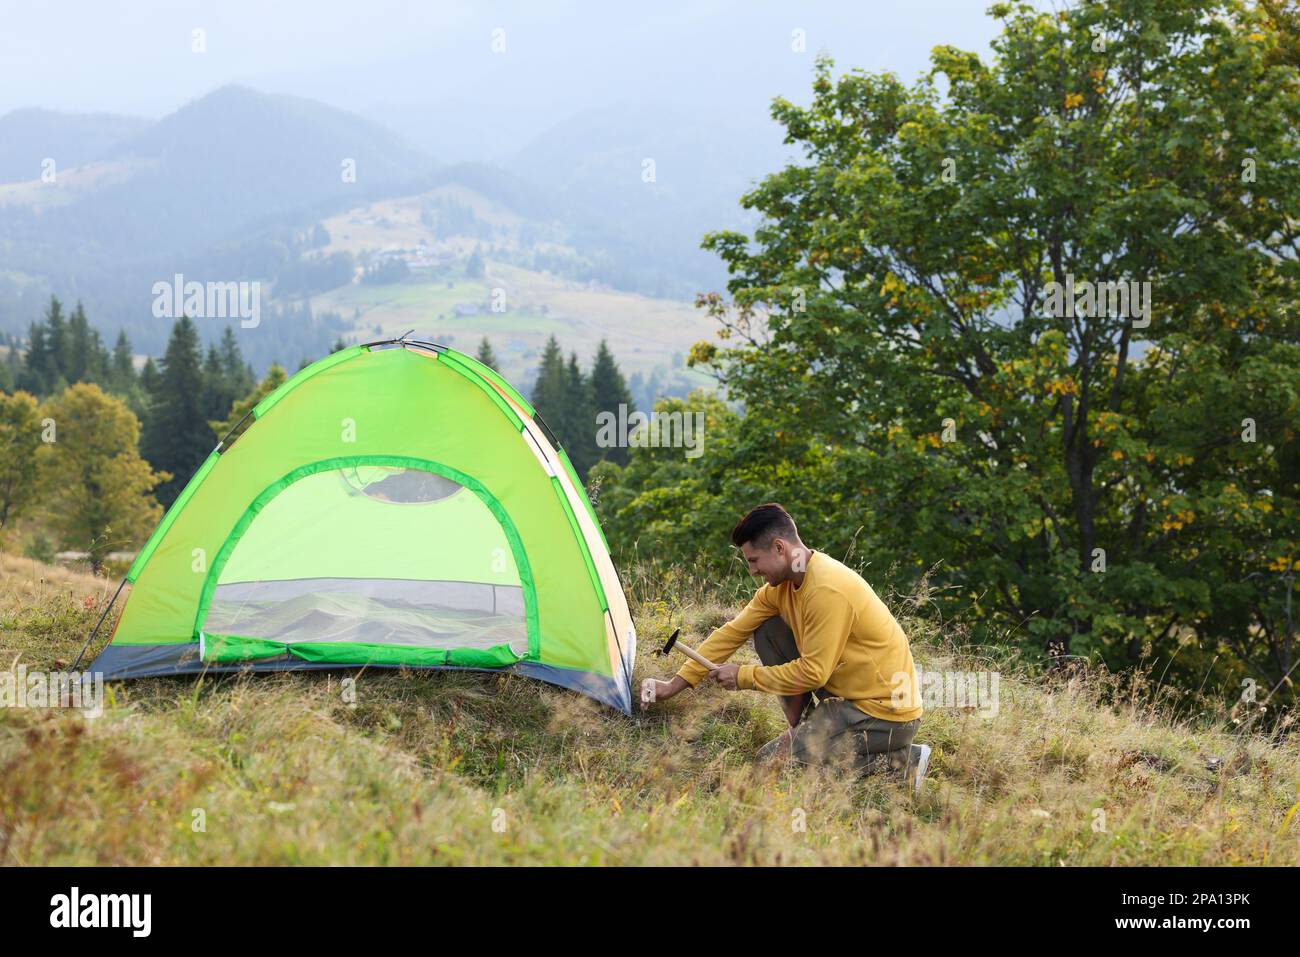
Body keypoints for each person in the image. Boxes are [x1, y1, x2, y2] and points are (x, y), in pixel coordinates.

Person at [644, 503, 931, 792]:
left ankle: (902, 763)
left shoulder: (826, 590)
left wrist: (743, 676)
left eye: (755, 560)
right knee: (766, 629)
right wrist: (672, 686)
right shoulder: (779, 588)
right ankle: (807, 729)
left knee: (776, 766)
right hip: (846, 695)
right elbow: (733, 632)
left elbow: (814, 673)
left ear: (780, 548)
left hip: (883, 713)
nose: (752, 571)